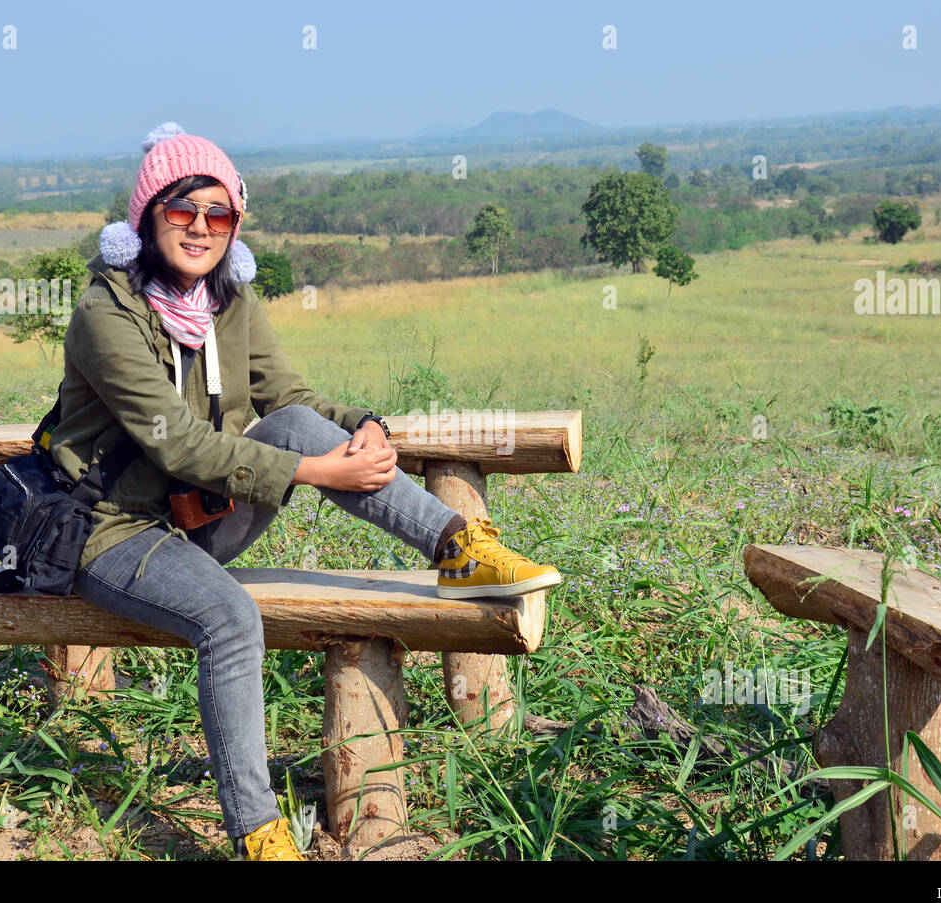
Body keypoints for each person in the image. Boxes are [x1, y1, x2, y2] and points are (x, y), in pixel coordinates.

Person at [45, 122, 562, 861]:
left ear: (235, 225)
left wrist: (365, 429)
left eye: (218, 214)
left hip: (195, 518)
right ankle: (259, 832)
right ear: (145, 217)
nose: (200, 228)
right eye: (182, 210)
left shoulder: (229, 301)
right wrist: (322, 473)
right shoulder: (107, 312)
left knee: (291, 423)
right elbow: (176, 442)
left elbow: (288, 399)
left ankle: (457, 545)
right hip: (112, 532)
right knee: (230, 618)